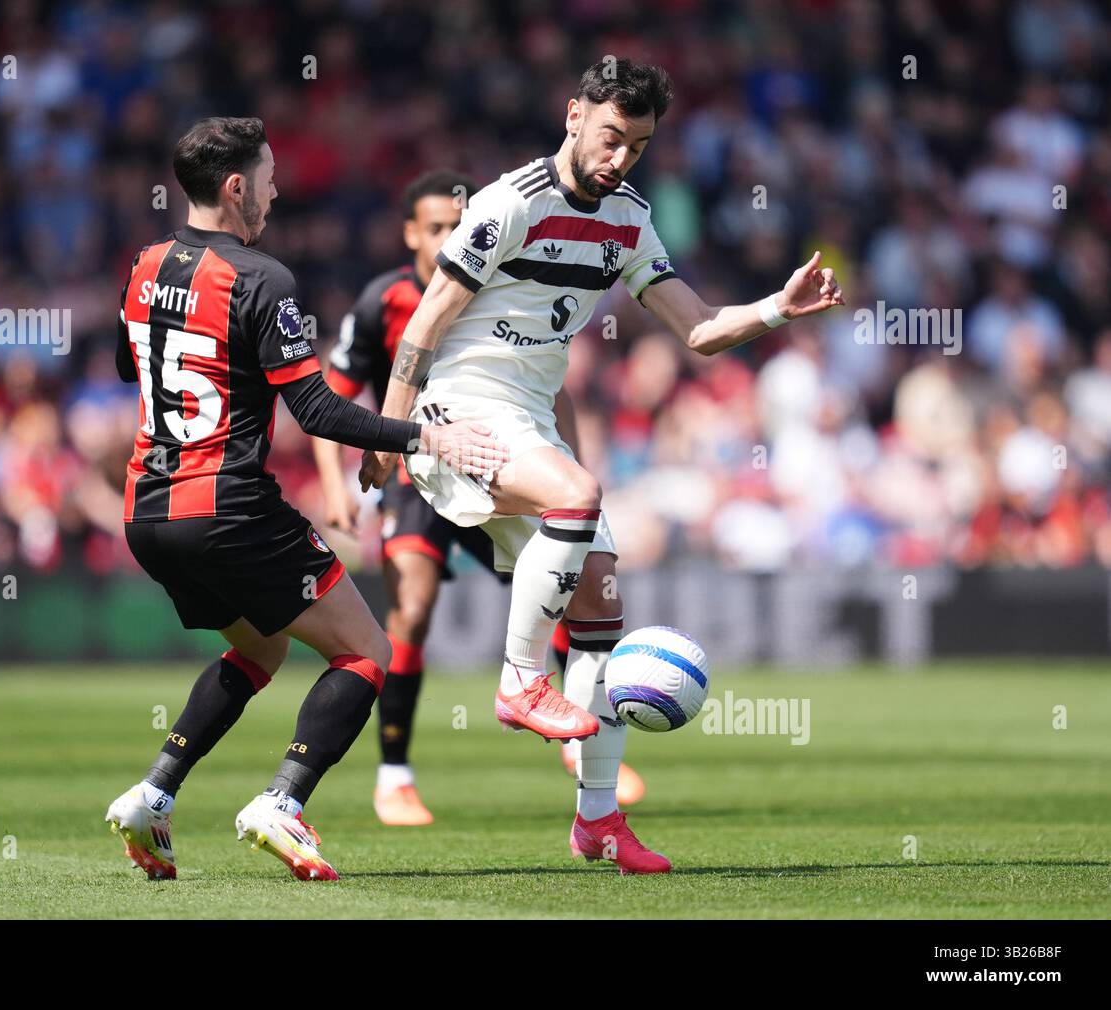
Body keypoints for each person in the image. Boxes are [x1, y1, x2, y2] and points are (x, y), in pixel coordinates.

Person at [360, 60, 844, 874]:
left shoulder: (628, 221)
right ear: (575, 114)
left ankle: (598, 823)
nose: (621, 157)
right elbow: (426, 323)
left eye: (639, 145)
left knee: (602, 623)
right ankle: (518, 680)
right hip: (461, 409)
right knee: (579, 494)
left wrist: (773, 311)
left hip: (530, 419)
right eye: (612, 136)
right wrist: (394, 430)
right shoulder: (509, 202)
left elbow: (693, 329)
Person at [104, 117, 506, 881]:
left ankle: (154, 794)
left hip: (147, 512)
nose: (276, 191)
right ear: (235, 187)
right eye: (267, 178)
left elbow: (134, 373)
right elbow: (317, 411)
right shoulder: (262, 278)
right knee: (367, 653)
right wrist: (423, 438)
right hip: (227, 507)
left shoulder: (144, 263)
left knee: (260, 648)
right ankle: (281, 803)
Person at [314, 169, 644, 825]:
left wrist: (569, 463)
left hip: (502, 458)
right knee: (411, 608)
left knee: (567, 583)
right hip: (416, 471)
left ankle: (576, 741)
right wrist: (334, 486)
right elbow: (333, 391)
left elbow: (549, 388)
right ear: (411, 232)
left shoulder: (503, 279)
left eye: (454, 227)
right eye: (434, 227)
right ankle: (395, 775)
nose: (446, 238)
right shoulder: (387, 299)